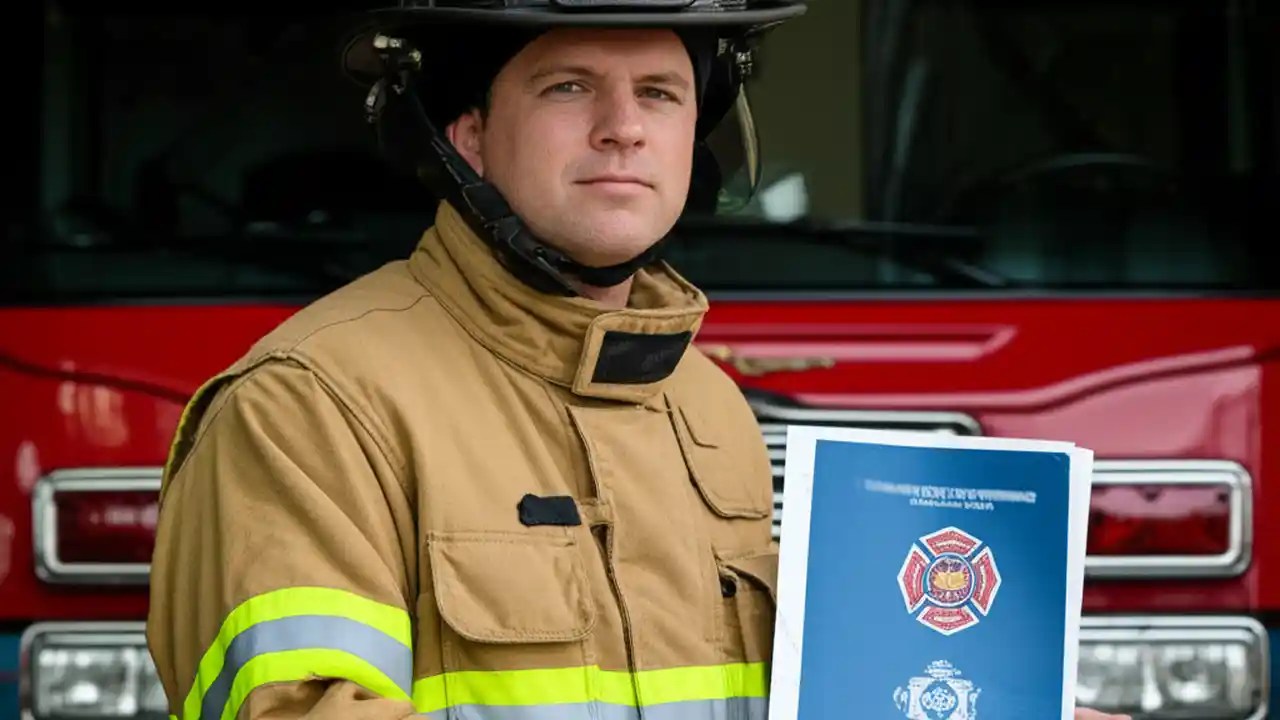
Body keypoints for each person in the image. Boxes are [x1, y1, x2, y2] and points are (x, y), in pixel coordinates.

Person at [144, 2, 1130, 719]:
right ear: (469, 137)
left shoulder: (706, 407)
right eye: (568, 85)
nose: (622, 125)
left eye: (656, 92)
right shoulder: (312, 405)